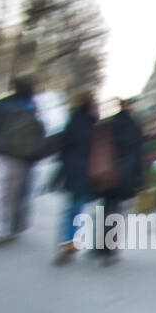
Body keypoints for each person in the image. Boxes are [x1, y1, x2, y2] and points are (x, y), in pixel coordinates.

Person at [0, 77, 45, 247]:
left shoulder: (0, 106)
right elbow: (39, 132)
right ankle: (0, 231)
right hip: (16, 157)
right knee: (7, 196)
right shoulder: (29, 109)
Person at [93, 97, 146, 263]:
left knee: (104, 209)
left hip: (106, 173)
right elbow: (138, 155)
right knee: (115, 213)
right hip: (125, 176)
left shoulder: (109, 124)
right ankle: (109, 249)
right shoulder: (135, 127)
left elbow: (98, 147)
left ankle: (99, 247)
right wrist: (139, 179)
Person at [53, 90, 99, 265]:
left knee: (72, 209)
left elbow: (64, 148)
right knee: (79, 209)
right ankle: (72, 240)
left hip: (73, 171)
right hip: (89, 172)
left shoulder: (73, 122)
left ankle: (68, 241)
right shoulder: (94, 126)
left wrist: (60, 173)